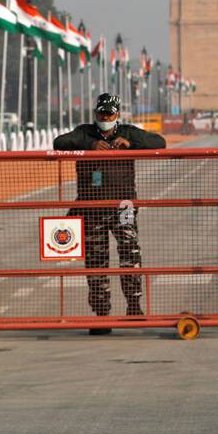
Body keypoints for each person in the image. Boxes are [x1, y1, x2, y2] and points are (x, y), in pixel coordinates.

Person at [53, 94, 166, 334]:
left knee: (130, 252)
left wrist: (131, 145)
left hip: (123, 206)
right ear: (95, 113)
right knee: (96, 261)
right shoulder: (84, 133)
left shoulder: (128, 132)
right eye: (101, 113)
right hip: (92, 206)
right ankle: (102, 315)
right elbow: (59, 142)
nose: (105, 117)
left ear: (117, 115)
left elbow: (159, 142)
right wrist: (89, 146)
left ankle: (134, 307)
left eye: (109, 113)